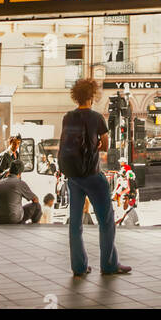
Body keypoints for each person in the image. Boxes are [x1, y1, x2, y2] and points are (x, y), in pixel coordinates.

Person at [59, 78, 130, 278]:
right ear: (91, 96)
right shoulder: (97, 118)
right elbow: (106, 146)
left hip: (73, 177)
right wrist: (97, 143)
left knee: (75, 223)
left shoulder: (67, 117)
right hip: (92, 175)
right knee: (106, 221)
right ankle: (108, 265)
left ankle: (79, 267)